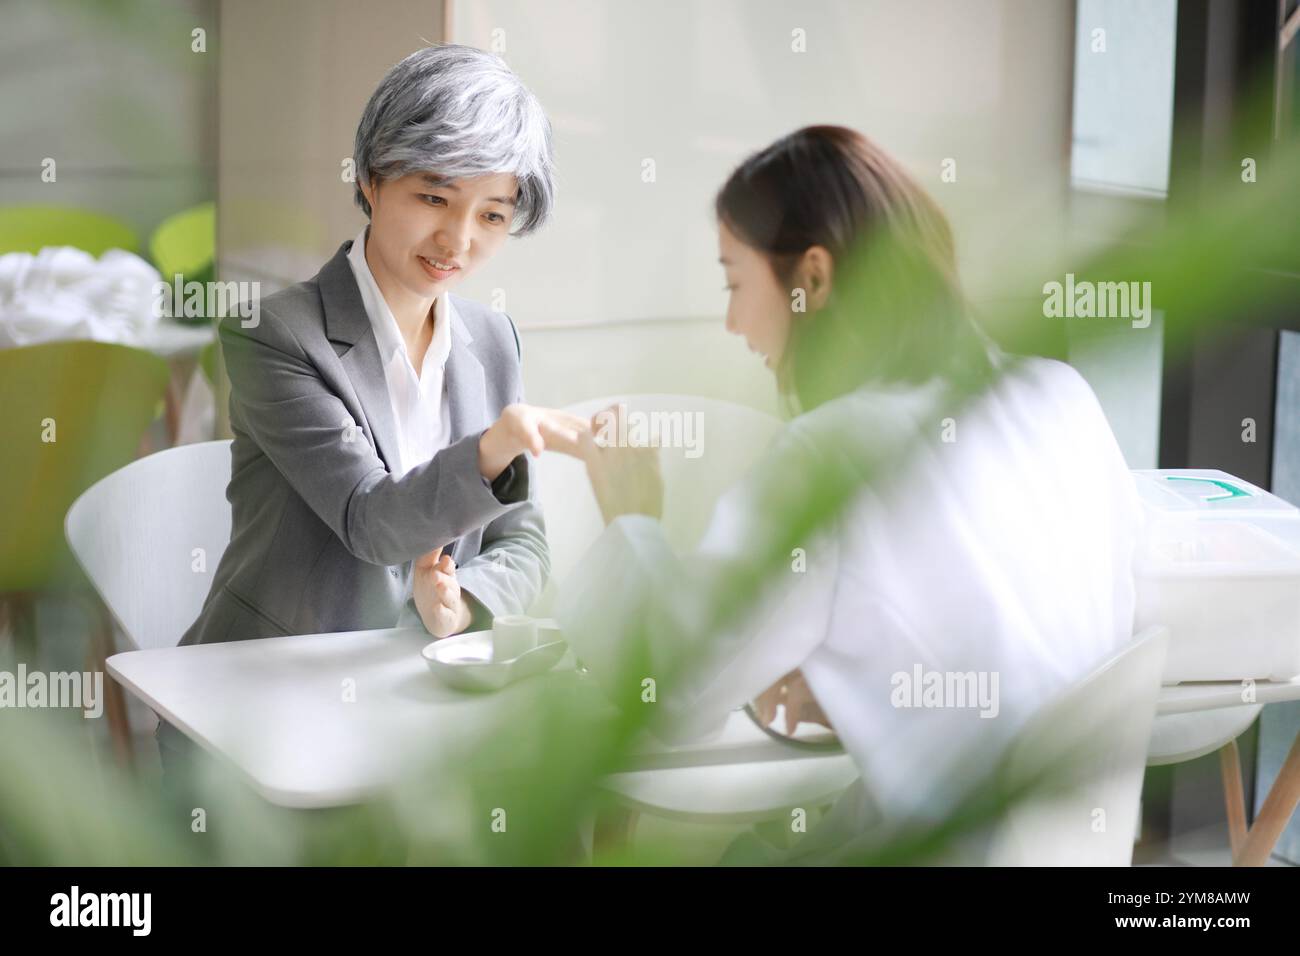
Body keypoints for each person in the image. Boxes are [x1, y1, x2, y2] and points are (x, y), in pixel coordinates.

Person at [554, 125, 1142, 859]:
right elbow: (1058, 637)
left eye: (736, 283)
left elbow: (675, 692)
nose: (734, 322)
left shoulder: (829, 455)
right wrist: (867, 681)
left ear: (814, 279)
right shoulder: (1059, 394)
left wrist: (631, 519)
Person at [160, 45, 582, 782]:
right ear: (371, 177)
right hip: (269, 705)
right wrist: (489, 451)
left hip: (419, 698)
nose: (459, 241)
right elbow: (369, 521)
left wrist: (460, 605)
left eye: (492, 214)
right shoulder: (275, 335)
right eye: (434, 198)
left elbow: (524, 544)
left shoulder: (492, 338)